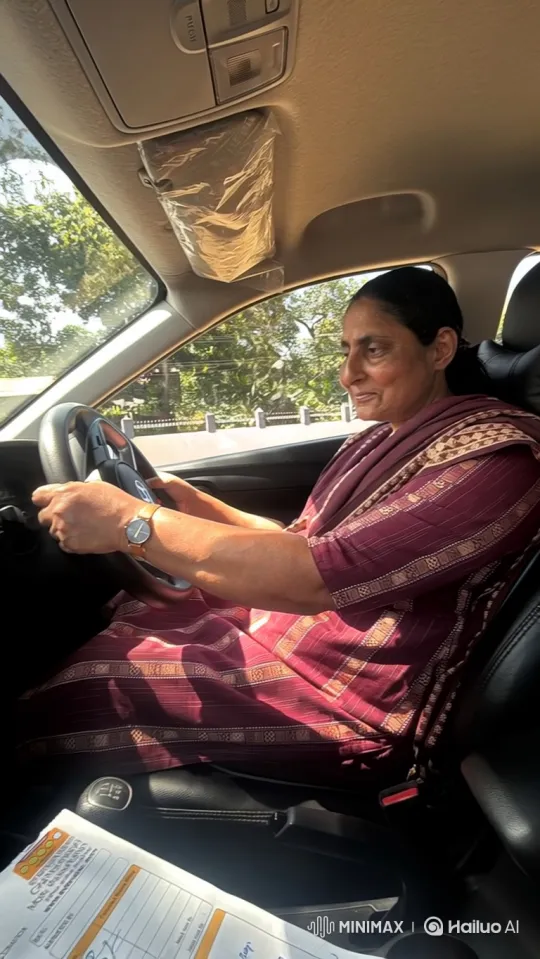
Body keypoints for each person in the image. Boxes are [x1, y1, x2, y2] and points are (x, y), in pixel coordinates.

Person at [19, 267, 540, 784]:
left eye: (373, 350)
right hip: (291, 632)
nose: (348, 374)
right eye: (345, 350)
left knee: (93, 684)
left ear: (441, 348)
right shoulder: (380, 438)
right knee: (132, 611)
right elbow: (303, 540)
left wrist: (132, 522)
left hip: (348, 697)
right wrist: (192, 503)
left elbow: (320, 573)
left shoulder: (498, 459)